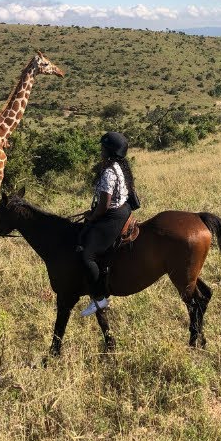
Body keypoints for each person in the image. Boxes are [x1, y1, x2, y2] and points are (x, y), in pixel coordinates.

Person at [77, 131, 140, 316]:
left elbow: (104, 205)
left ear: (109, 151)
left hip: (113, 215)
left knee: (86, 255)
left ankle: (99, 298)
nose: (100, 151)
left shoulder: (108, 172)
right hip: (122, 209)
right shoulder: (119, 166)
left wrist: (92, 216)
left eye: (103, 148)